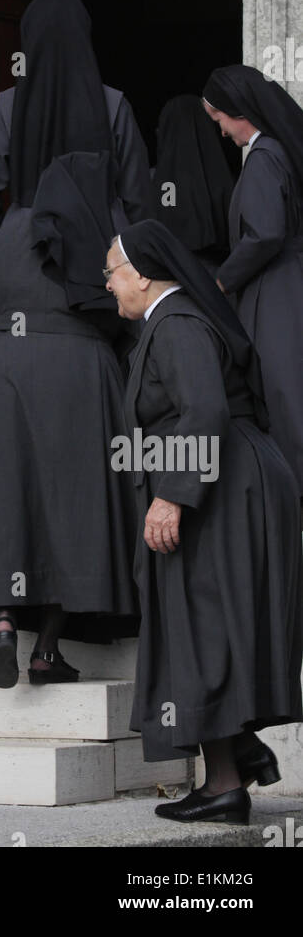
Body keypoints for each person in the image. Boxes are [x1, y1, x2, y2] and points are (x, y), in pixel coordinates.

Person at [0, 0, 143, 687]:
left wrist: (13, 230)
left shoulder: (8, 104)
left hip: (17, 298)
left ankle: (0, 621)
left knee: (7, 489)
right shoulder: (113, 104)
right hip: (90, 303)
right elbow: (143, 206)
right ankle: (50, 646)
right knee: (75, 492)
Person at [105, 220, 303, 825]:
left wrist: (173, 498)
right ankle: (239, 754)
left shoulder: (177, 323)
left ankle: (224, 785)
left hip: (220, 488)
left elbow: (206, 411)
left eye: (111, 270)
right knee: (210, 625)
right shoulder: (172, 321)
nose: (106, 282)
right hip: (232, 481)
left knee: (204, 627)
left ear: (141, 274)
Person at [0, 0, 154, 237]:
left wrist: (7, 235)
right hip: (102, 248)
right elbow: (138, 198)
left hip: (29, 245)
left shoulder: (9, 106)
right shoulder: (115, 104)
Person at [202, 64, 303, 478]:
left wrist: (222, 280)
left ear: (239, 110)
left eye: (219, 120)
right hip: (282, 286)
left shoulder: (263, 157)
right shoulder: (275, 152)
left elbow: (263, 234)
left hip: (275, 291)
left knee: (285, 399)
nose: (222, 132)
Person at [152, 93, 234, 272]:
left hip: (178, 271)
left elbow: (166, 211)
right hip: (222, 272)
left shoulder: (167, 181)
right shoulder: (220, 173)